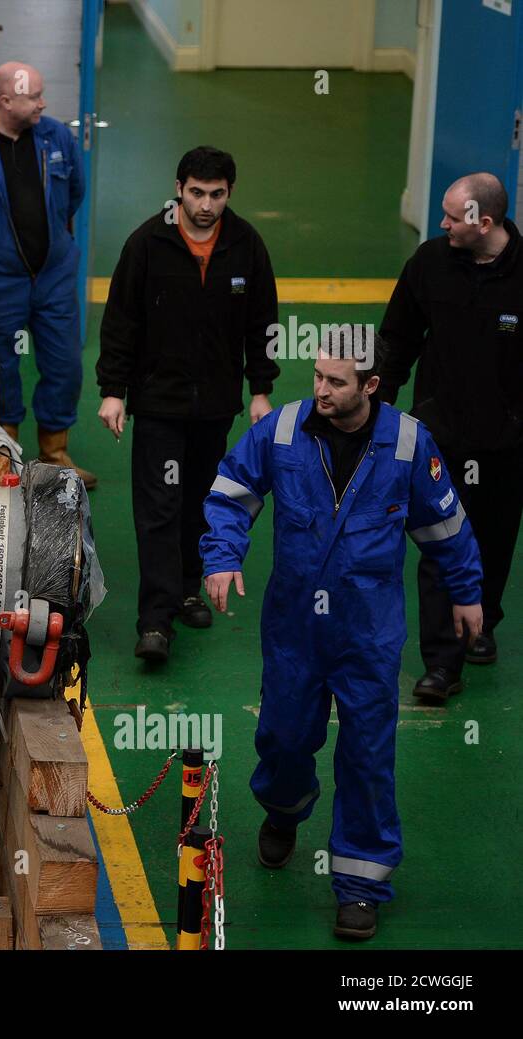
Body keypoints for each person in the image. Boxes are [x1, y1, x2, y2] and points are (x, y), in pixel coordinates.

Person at [201, 350, 483, 941]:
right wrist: (223, 556)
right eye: (317, 377)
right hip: (295, 628)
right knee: (282, 736)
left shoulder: (408, 444)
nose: (321, 391)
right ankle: (284, 809)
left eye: (336, 382)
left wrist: (466, 592)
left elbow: (445, 526)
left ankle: (360, 884)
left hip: (368, 633)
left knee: (367, 754)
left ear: (371, 386)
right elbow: (230, 492)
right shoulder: (280, 430)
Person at [97, 146, 279, 663]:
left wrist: (260, 388)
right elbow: (121, 322)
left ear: (229, 194)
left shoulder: (246, 245)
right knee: (159, 508)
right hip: (159, 402)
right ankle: (154, 621)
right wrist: (115, 390)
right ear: (179, 188)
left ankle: (187, 589)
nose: (205, 204)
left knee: (201, 500)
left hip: (216, 404)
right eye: (196, 192)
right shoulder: (146, 244)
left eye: (216, 194)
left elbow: (262, 321)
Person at [377, 172, 523, 703]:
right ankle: (442, 664)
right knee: (440, 544)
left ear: (485, 222)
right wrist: (384, 404)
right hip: (440, 438)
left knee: (494, 541)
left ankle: (482, 619)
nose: (440, 224)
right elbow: (397, 337)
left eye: (451, 216)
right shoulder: (430, 264)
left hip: (506, 446)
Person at [0, 61, 94, 486]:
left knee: (64, 363)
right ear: (5, 101)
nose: (44, 103)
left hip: (54, 274)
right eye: (34, 96)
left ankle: (55, 452)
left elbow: (75, 193)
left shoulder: (56, 137)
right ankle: (5, 452)